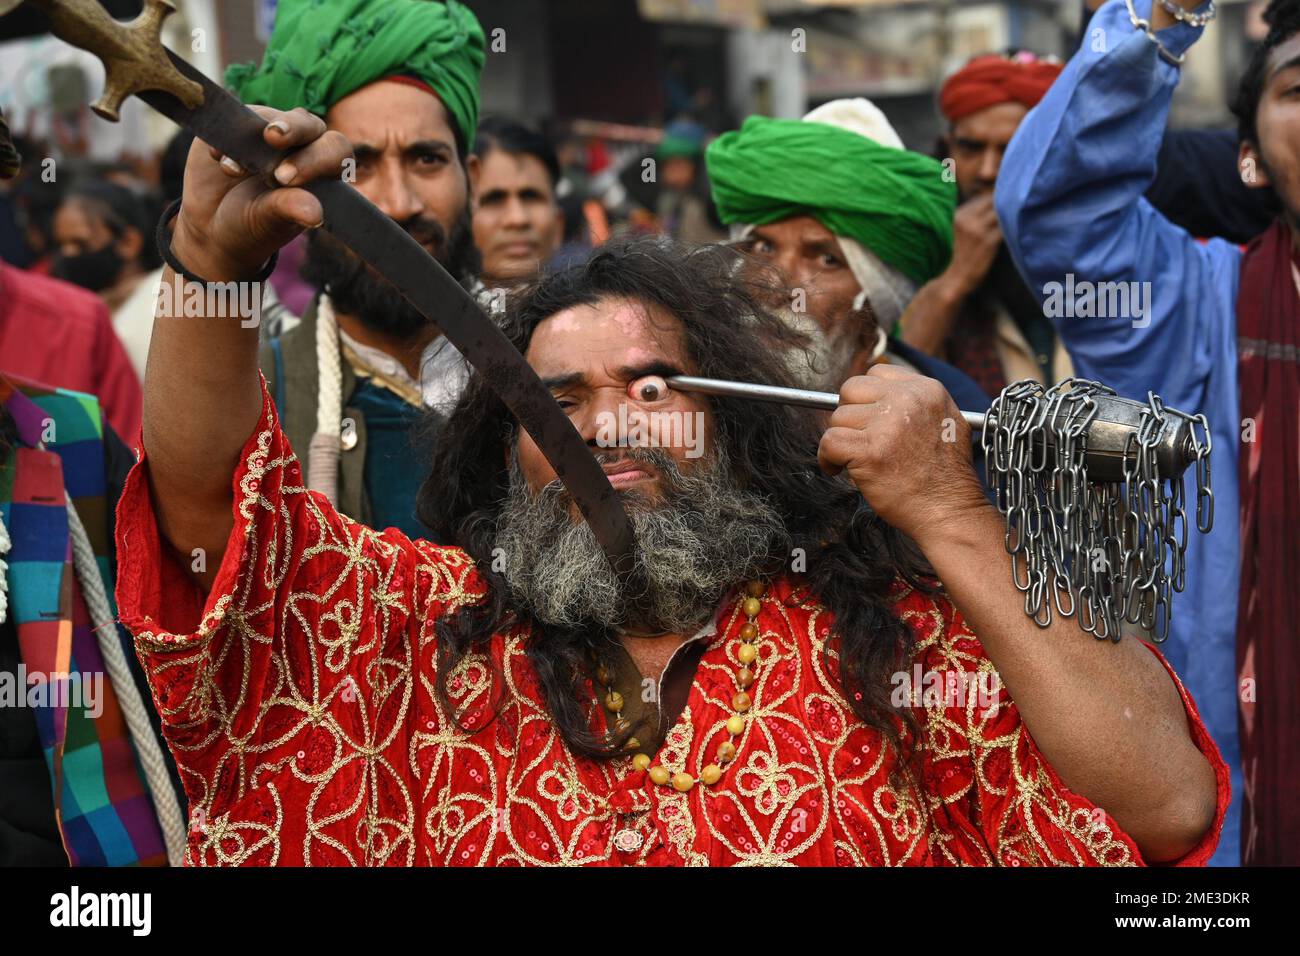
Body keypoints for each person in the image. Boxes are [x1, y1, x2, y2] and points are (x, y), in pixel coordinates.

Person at [114, 105, 1227, 866]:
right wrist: (212, 270)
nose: (606, 425)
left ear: (737, 425)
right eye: (557, 400)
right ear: (507, 453)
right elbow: (217, 517)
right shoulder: (421, 643)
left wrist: (947, 509)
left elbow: (1164, 805)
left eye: (651, 383)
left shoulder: (893, 643)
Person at [995, 0, 1296, 865]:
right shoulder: (1202, 312)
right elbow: (1062, 211)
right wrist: (1158, 18)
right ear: (1250, 158)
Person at [223, 0, 486, 540]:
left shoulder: (555, 381)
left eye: (427, 159)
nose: (397, 203)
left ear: (473, 178)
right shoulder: (254, 404)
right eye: (355, 166)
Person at [705, 98, 993, 420]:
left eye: (826, 260)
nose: (776, 283)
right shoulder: (686, 393)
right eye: (763, 248)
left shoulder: (956, 421)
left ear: (875, 304)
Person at [899, 52, 1074, 397]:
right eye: (971, 148)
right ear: (947, 148)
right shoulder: (914, 249)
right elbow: (895, 385)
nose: (987, 171)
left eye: (1010, 151)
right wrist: (952, 281)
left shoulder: (1098, 249)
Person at [50, 179, 162, 383]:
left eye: (80, 244)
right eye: (61, 245)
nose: (67, 255)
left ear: (128, 243)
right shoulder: (81, 313)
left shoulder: (160, 301)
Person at [471, 118, 563, 290]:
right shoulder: (421, 312)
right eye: (493, 199)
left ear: (558, 224)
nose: (518, 219)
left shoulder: (599, 314)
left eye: (531, 197)